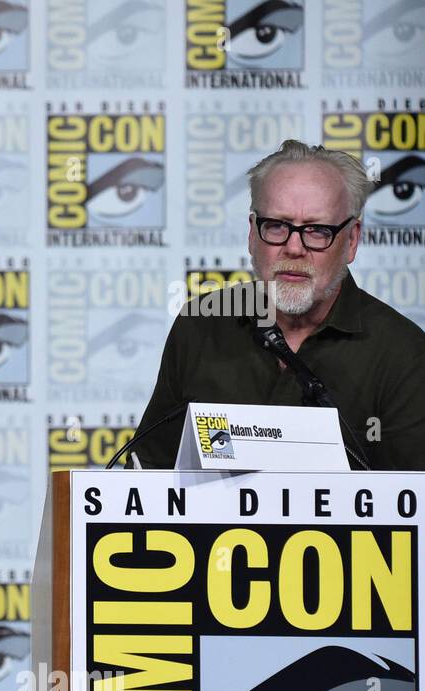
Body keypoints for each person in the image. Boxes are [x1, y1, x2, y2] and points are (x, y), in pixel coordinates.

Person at [133, 140, 425, 470]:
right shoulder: (200, 326)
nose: (294, 247)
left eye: (317, 230)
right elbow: (146, 474)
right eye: (276, 226)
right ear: (252, 235)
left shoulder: (403, 352)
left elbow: (414, 506)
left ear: (352, 240)